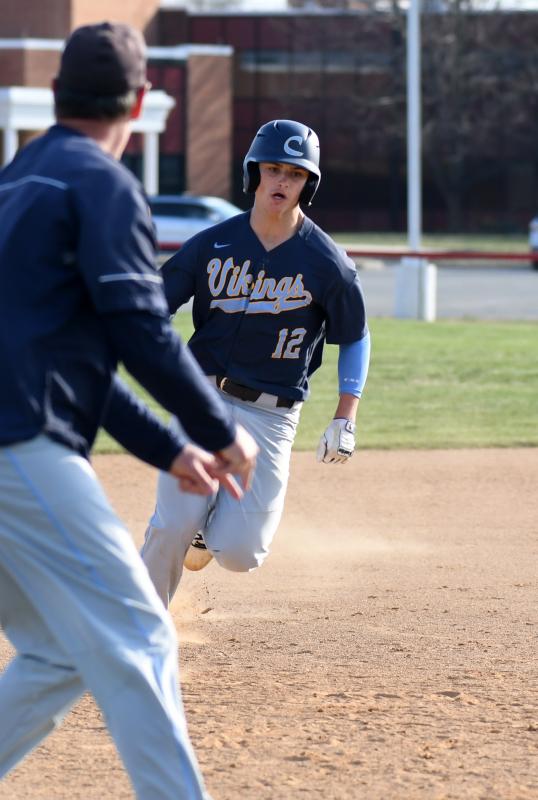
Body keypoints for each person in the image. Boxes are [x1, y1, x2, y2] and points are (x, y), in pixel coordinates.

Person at [0, 22, 258, 800]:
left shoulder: (18, 180)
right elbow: (140, 329)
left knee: (54, 652)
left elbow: (66, 354)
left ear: (54, 95)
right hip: (21, 446)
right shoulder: (103, 184)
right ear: (146, 102)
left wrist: (170, 448)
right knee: (141, 632)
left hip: (15, 436)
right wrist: (219, 431)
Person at [142, 118, 371, 607]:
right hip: (201, 397)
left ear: (308, 183)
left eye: (294, 173)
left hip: (271, 413)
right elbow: (154, 305)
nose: (282, 182)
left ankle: (208, 535)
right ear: (254, 174)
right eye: (273, 169)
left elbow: (355, 336)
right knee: (172, 523)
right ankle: (140, 626)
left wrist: (344, 415)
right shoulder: (213, 244)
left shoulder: (328, 262)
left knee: (241, 553)